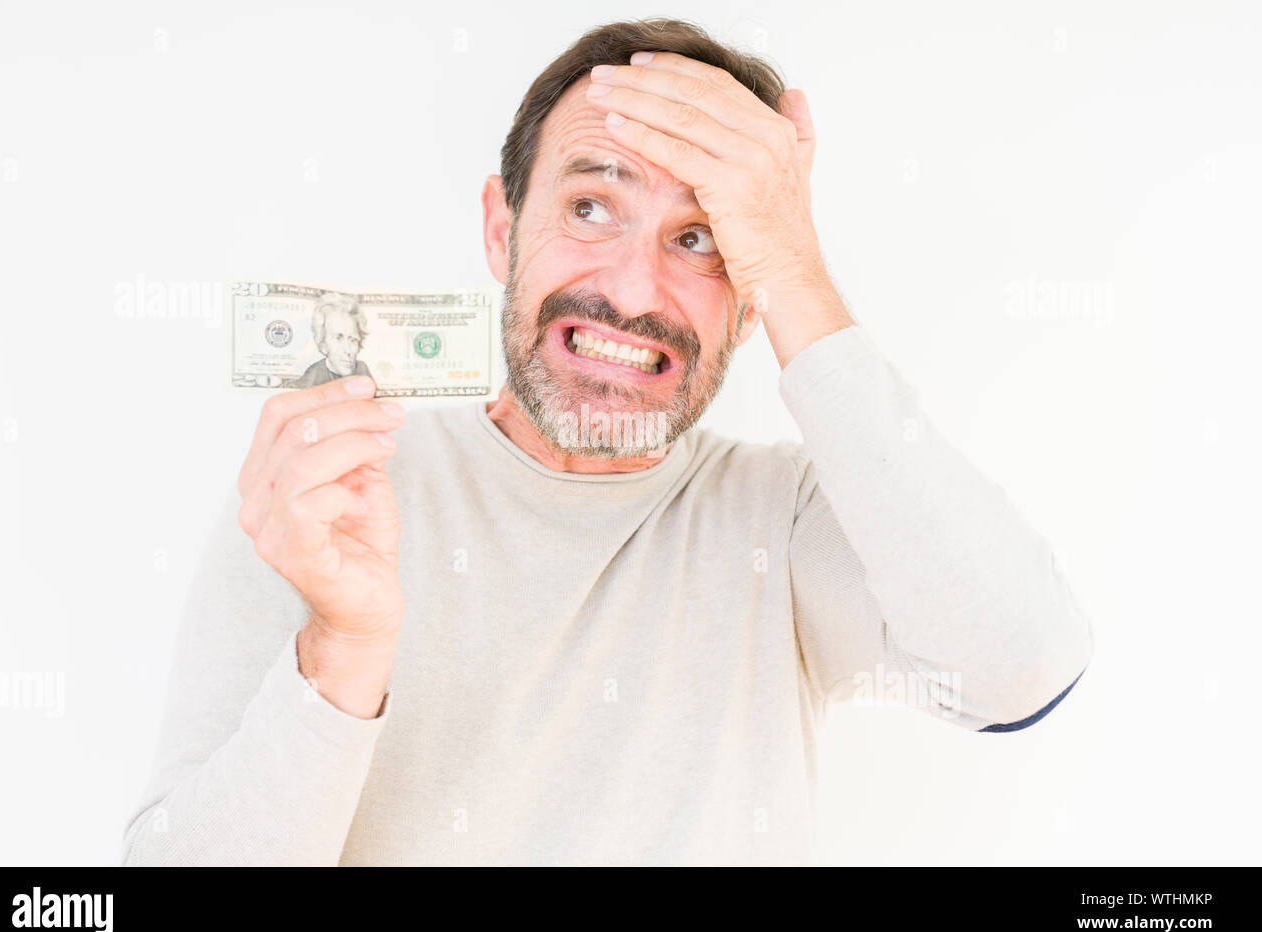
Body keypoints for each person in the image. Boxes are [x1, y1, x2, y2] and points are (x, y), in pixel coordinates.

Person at [123, 18, 1094, 865]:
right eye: (591, 208)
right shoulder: (330, 500)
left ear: (752, 295)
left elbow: (1018, 665)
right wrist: (342, 649)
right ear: (502, 231)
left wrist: (796, 267)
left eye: (702, 238)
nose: (632, 293)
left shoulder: (786, 523)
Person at [293, 292, 372, 387]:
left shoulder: (361, 369)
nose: (347, 350)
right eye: (338, 338)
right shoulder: (313, 376)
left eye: (353, 340)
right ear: (323, 345)